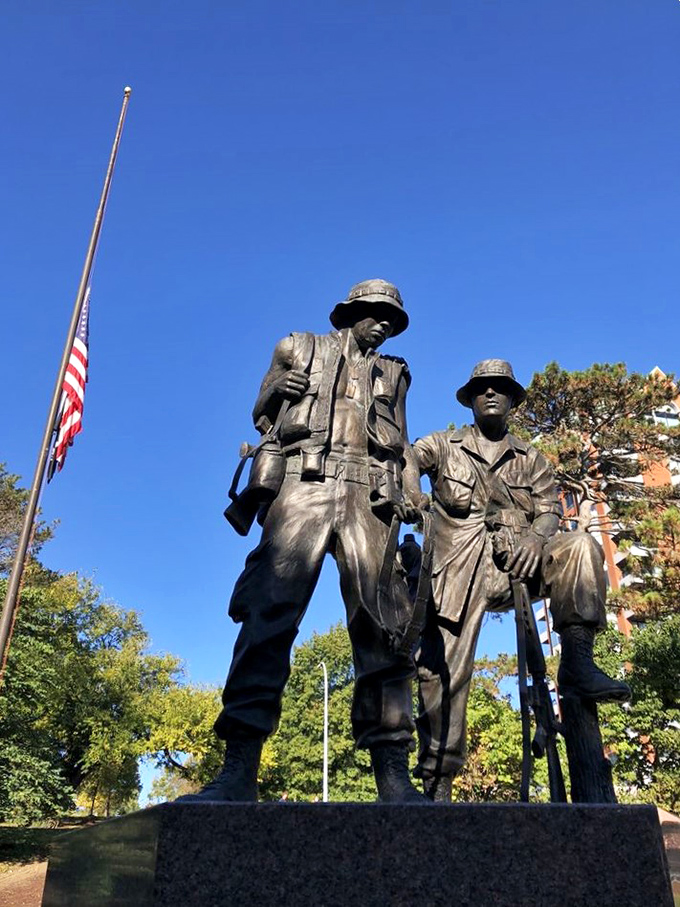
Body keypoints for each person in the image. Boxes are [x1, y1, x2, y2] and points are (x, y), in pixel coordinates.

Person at [183, 279, 426, 803]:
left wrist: (412, 496)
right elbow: (261, 411)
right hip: (304, 482)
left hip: (370, 494)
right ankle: (239, 765)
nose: (383, 323)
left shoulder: (395, 372)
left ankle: (392, 771)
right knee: (268, 609)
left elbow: (401, 445)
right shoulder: (297, 346)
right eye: (374, 313)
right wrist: (276, 393)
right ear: (351, 312)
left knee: (384, 624)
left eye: (391, 317)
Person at [413, 359, 631, 802]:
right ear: (470, 399)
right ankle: (438, 780)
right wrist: (414, 496)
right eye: (482, 388)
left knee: (580, 547)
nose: (491, 394)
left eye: (500, 388)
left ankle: (577, 662)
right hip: (460, 567)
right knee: (443, 672)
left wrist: (536, 536)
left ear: (512, 400)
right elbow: (404, 457)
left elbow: (550, 507)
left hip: (524, 562)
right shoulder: (443, 443)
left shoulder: (531, 459)